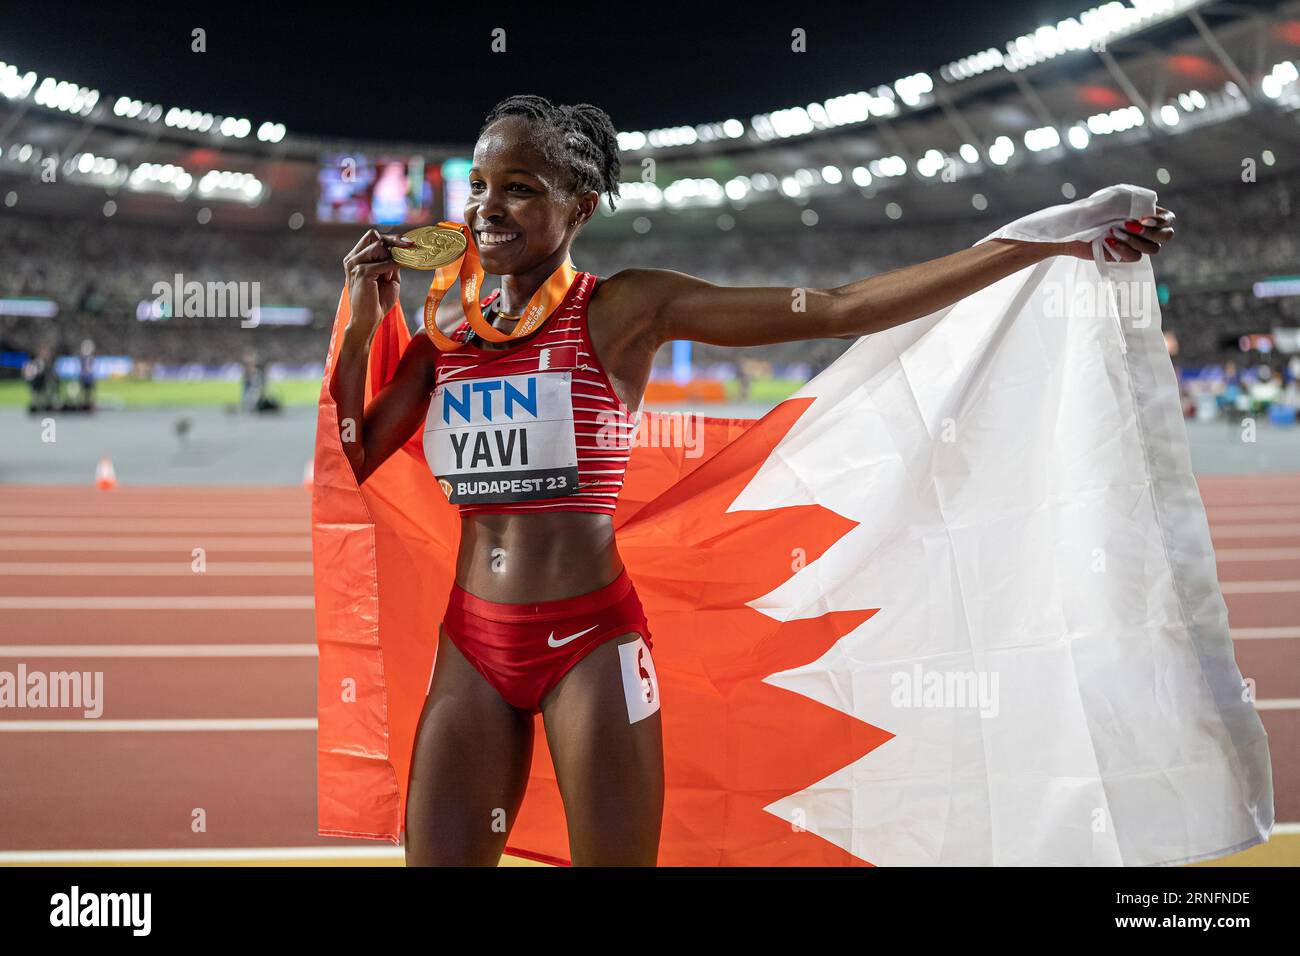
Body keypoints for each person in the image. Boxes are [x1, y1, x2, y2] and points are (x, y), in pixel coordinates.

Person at [330, 94, 1176, 867]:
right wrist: (368, 325)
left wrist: (1039, 242)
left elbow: (840, 307)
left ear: (578, 206)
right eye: (480, 183)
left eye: (519, 186)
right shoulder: (446, 326)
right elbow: (353, 456)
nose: (487, 205)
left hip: (589, 645)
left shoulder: (625, 309)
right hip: (471, 641)